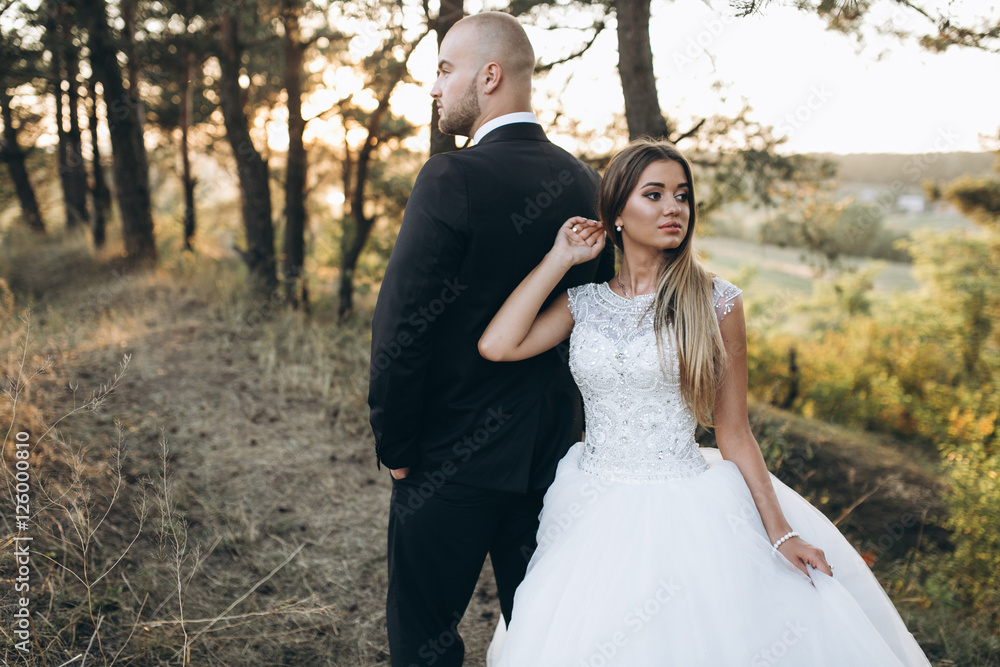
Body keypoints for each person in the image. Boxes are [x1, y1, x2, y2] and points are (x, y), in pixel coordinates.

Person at [478, 138, 932, 666]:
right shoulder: (583, 302)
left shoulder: (715, 300)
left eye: (682, 195)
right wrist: (561, 258)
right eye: (654, 194)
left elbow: (733, 431)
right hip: (590, 505)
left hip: (686, 508)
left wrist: (781, 533)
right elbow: (497, 344)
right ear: (617, 212)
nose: (674, 208)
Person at [367, 11, 615, 667]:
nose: (436, 86)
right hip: (549, 457)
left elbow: (401, 326)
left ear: (492, 75)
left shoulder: (450, 177)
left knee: (426, 633)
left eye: (446, 69)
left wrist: (395, 443)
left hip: (446, 455)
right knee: (541, 633)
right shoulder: (586, 183)